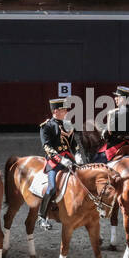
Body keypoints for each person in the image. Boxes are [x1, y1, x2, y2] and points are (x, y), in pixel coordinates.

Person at [38, 97, 80, 230]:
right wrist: (60, 159)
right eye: (63, 110)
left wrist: (78, 154)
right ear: (55, 111)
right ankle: (42, 217)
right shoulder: (46, 126)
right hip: (54, 161)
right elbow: (47, 147)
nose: (66, 112)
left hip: (70, 160)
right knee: (51, 187)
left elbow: (74, 144)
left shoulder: (68, 124)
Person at [93, 85, 129, 162]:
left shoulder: (113, 113)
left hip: (116, 146)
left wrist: (103, 135)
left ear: (123, 99)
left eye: (118, 97)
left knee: (96, 161)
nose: (115, 98)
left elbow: (108, 133)